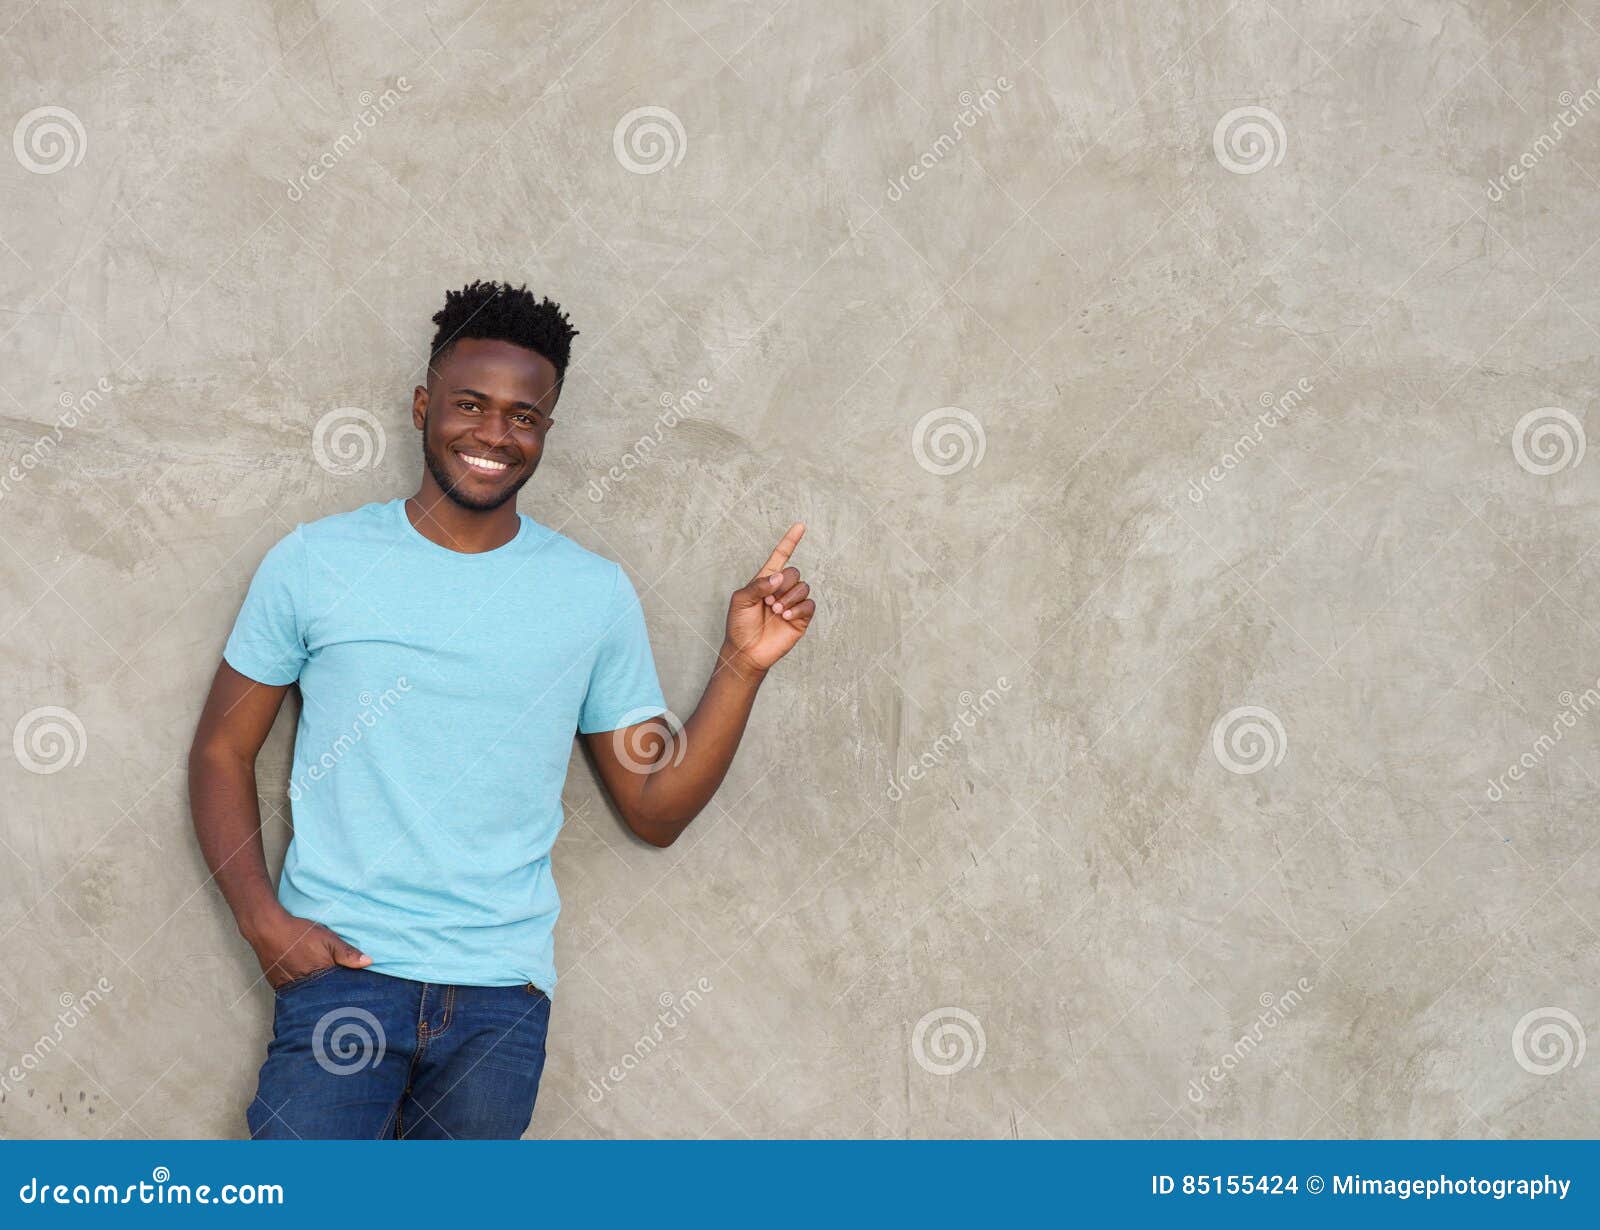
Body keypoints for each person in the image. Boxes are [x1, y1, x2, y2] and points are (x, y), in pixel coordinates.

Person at [187, 280, 815, 1139]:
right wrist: (265, 925)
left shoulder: (591, 593)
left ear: (546, 433)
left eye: (524, 416)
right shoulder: (316, 563)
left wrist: (742, 666)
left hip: (499, 1006)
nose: (494, 433)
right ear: (422, 407)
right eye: (471, 404)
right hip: (343, 979)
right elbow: (221, 751)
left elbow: (655, 808)